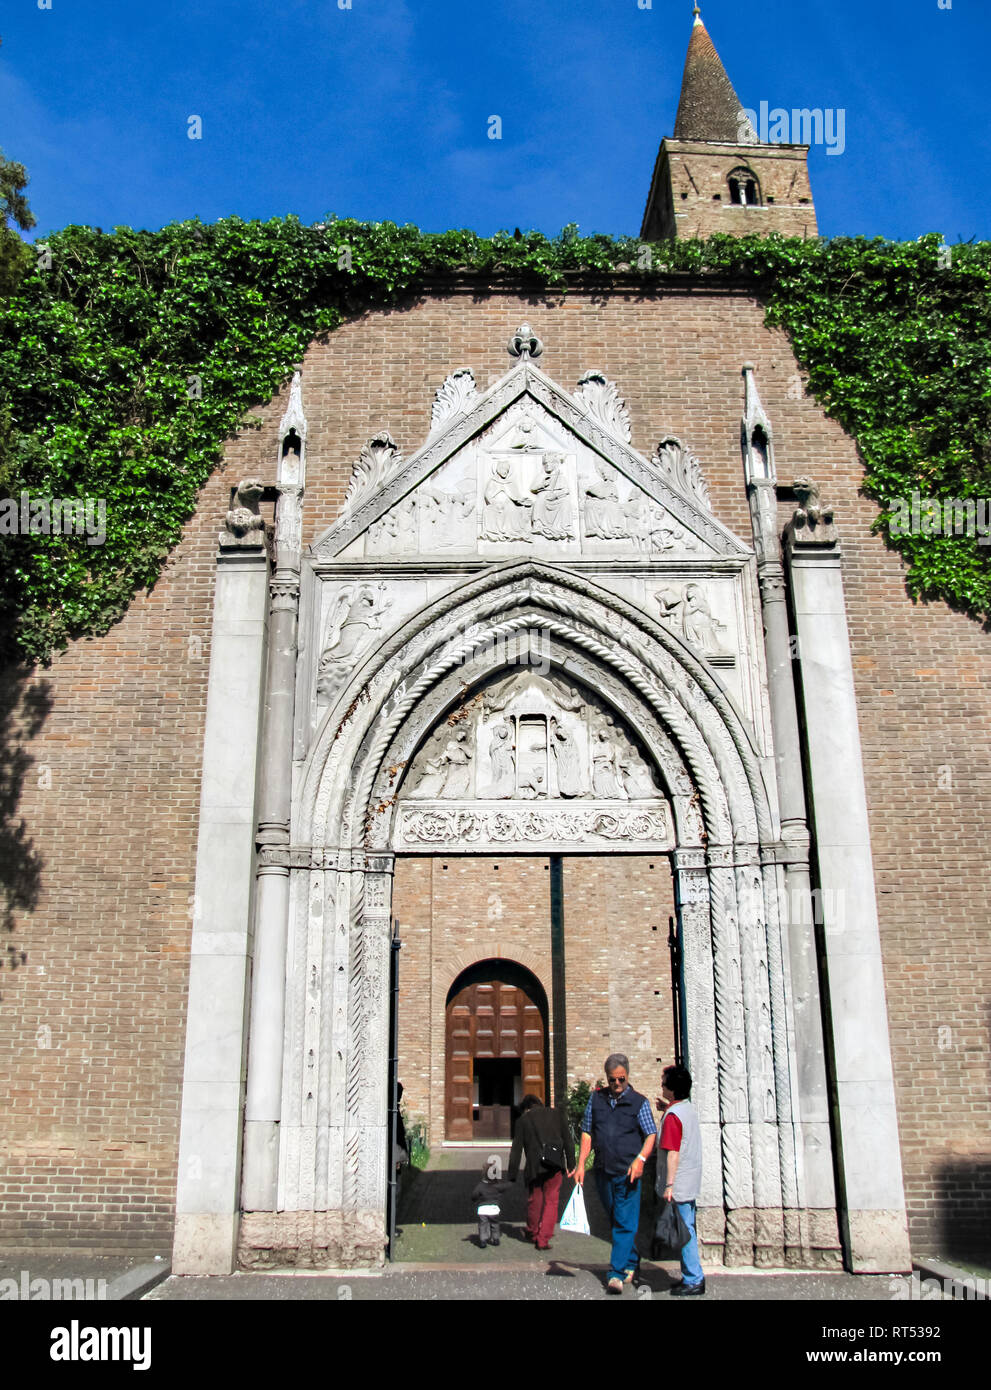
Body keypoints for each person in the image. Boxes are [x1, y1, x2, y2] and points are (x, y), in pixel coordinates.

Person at [573, 1053, 657, 1293]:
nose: (617, 1085)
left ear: (627, 1076)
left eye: (621, 1079)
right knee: (615, 1217)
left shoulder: (639, 1102)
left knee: (624, 1222)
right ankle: (631, 1260)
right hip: (602, 1170)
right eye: (613, 1080)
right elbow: (587, 1132)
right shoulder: (596, 1100)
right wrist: (581, 1164)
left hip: (628, 1172)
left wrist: (640, 1160)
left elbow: (651, 1134)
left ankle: (616, 1274)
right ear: (607, 1079)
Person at [656, 1062, 705, 1296]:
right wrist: (666, 1110)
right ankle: (691, 1276)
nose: (661, 1086)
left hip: (680, 1183)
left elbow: (673, 1152)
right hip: (690, 1179)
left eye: (664, 1083)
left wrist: (669, 1185)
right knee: (688, 1228)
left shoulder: (673, 1117)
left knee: (684, 1232)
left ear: (672, 1088)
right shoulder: (685, 1108)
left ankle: (694, 1279)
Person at [508, 1093, 575, 1252]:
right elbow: (568, 1141)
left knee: (535, 1200)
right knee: (552, 1201)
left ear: (525, 1108)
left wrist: (512, 1174)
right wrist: (571, 1163)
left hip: (534, 1166)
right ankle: (543, 1239)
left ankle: (532, 1231)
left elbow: (516, 1149)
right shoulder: (557, 1115)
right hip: (555, 1164)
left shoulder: (523, 1120)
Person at [470, 1169, 508, 1248]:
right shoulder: (497, 1185)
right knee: (495, 1224)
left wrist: (474, 1199)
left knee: (483, 1225)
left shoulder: (481, 1185)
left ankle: (483, 1240)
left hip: (483, 1209)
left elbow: (474, 1195)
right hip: (494, 1209)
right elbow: (504, 1188)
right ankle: (496, 1239)